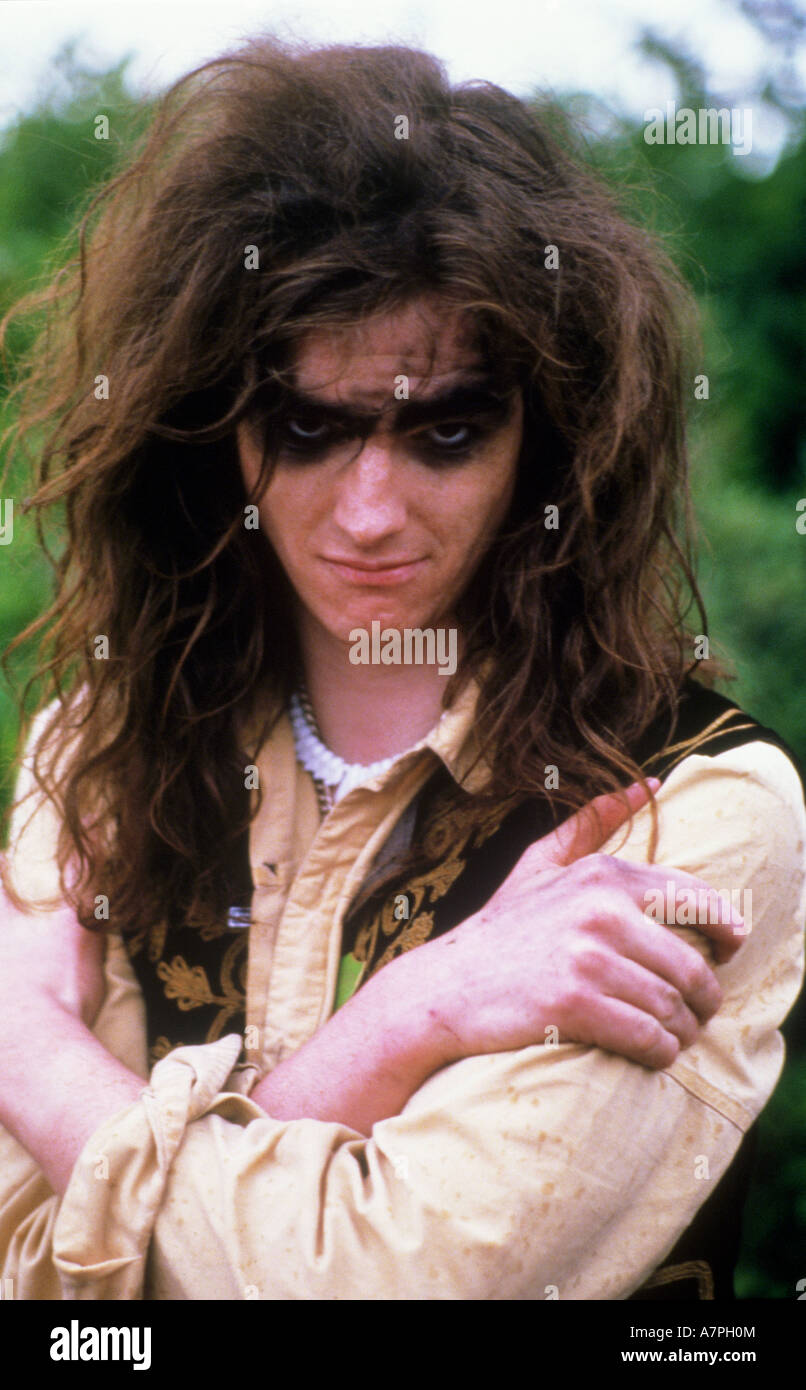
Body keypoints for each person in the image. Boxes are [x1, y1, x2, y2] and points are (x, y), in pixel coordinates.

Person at [0, 37, 803, 1302]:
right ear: (207, 429)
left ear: (550, 437)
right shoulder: (93, 746)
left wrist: (20, 1047)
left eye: (445, 430)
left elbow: (382, 1284)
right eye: (308, 427)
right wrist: (413, 1015)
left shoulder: (688, 812)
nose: (369, 512)